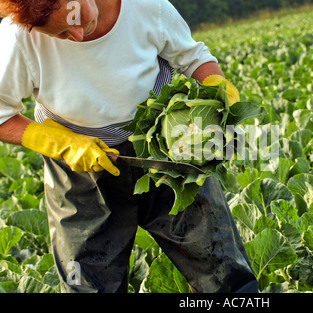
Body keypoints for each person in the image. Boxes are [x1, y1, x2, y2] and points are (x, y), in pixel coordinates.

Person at [0, 0, 258, 293]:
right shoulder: (18, 37)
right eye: (60, 34)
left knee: (222, 270)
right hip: (81, 172)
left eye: (78, 18)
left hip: (170, 156)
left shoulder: (145, 5)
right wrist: (61, 143)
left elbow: (193, 58)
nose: (78, 35)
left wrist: (219, 89)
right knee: (88, 282)